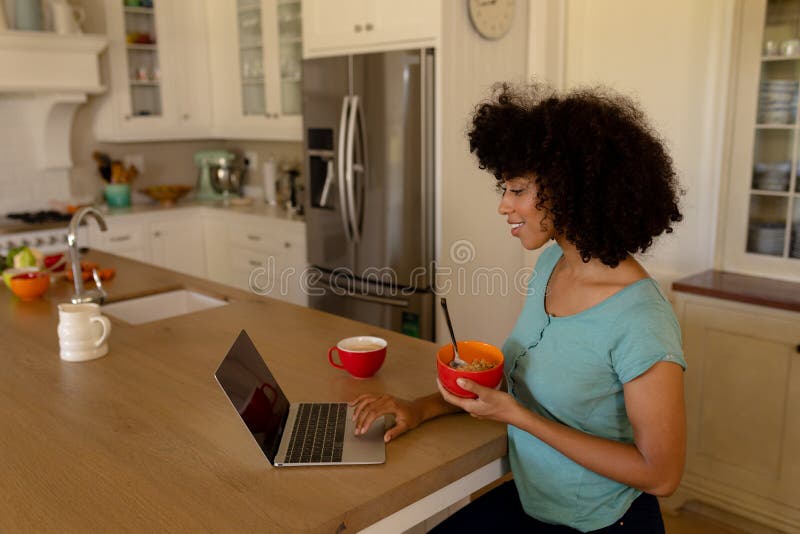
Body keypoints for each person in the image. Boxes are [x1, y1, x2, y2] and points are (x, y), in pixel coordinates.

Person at [349, 82, 686, 533]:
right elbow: (520, 375)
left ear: (574, 188)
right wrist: (421, 408)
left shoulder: (641, 320)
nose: (504, 205)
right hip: (535, 502)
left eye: (518, 189)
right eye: (504, 187)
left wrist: (517, 416)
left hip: (602, 524)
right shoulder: (552, 264)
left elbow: (661, 474)